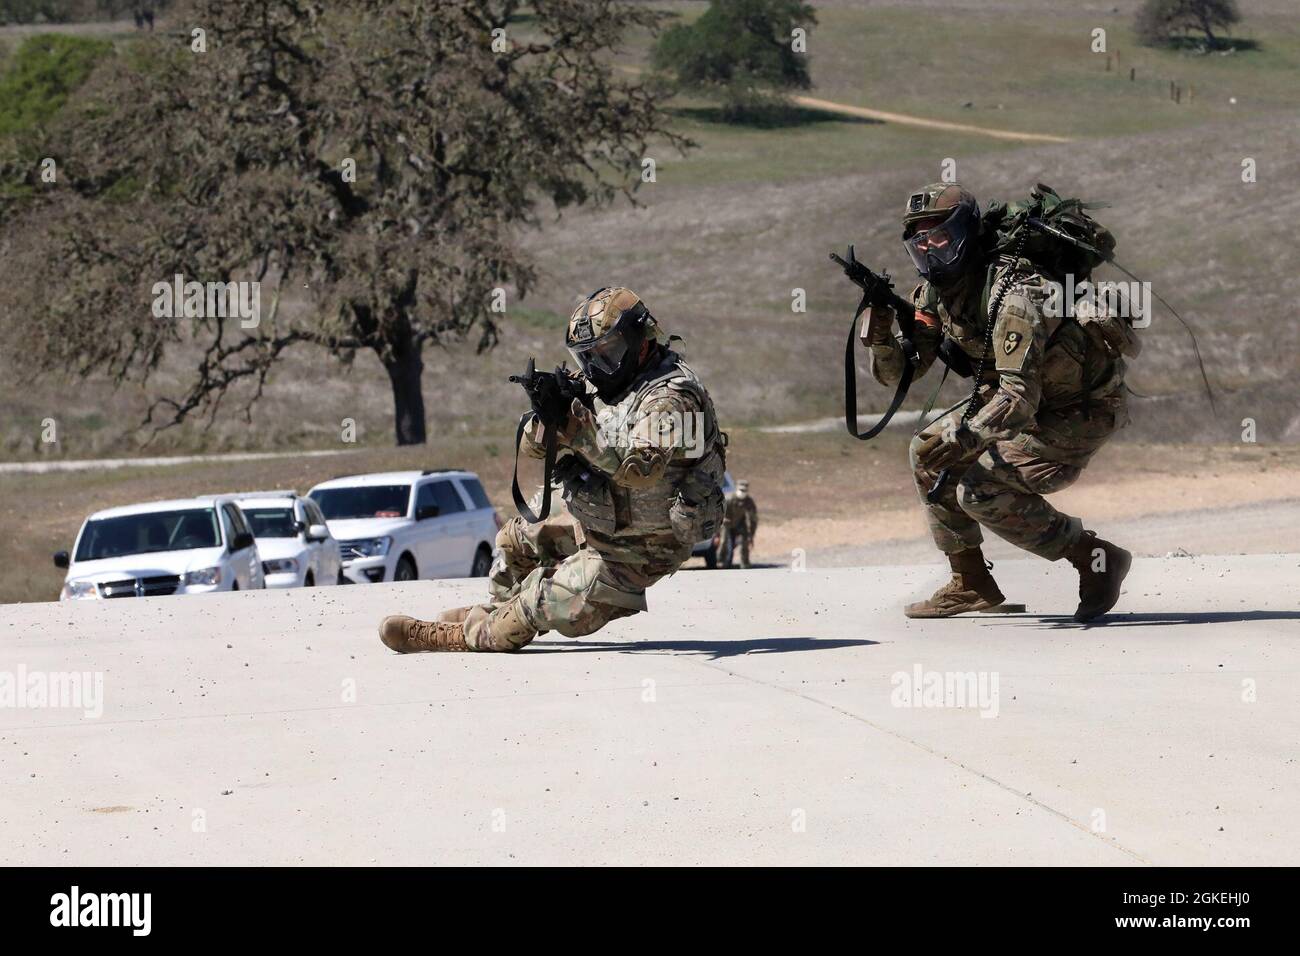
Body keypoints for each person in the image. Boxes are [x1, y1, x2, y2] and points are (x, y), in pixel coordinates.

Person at [379, 287, 726, 652]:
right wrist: (550, 415)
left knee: (541, 602)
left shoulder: (672, 398)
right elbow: (534, 448)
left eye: (606, 354)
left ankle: (467, 636)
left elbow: (638, 470)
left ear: (639, 342)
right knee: (516, 540)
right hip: (603, 515)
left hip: (643, 548)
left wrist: (578, 432)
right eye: (586, 356)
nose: (595, 367)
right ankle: (496, 612)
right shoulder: (602, 382)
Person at [864, 183, 1132, 622]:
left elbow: (1018, 400)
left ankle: (1095, 557)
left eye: (941, 238)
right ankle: (970, 582)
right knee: (927, 453)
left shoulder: (1015, 295)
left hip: (1077, 412)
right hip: (1024, 402)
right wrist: (878, 332)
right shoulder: (937, 293)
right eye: (921, 242)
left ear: (966, 234)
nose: (931, 251)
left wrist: (964, 433)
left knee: (979, 489)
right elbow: (900, 374)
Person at [721, 480, 758, 568]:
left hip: (739, 524)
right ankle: (723, 561)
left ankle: (744, 563)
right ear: (737, 489)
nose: (742, 492)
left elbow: (753, 519)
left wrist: (751, 535)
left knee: (745, 541)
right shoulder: (728, 499)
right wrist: (722, 520)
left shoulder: (748, 501)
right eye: (741, 490)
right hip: (726, 523)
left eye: (744, 490)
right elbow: (719, 512)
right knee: (725, 542)